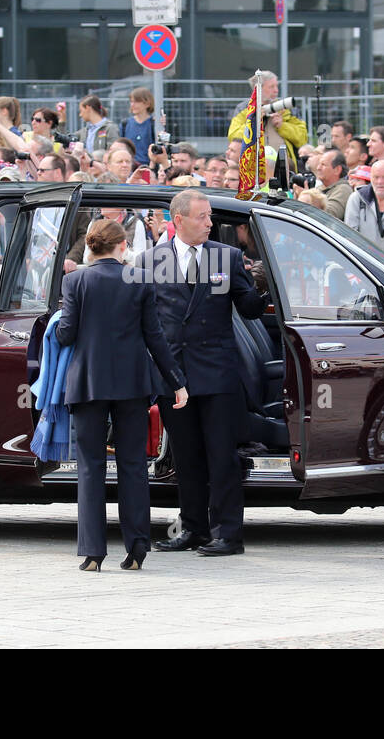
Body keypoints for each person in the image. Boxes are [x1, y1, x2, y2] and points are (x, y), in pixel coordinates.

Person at [55, 219, 188, 572]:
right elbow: (154, 337)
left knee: (90, 467)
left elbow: (66, 334)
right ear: (122, 246)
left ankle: (93, 552)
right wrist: (177, 381)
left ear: (91, 247)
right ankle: (136, 549)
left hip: (88, 383)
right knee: (133, 466)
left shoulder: (74, 280)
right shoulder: (139, 280)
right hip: (132, 383)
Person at [139, 190, 266, 557]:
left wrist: (263, 284)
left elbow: (249, 308)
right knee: (186, 456)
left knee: (221, 455)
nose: (210, 223)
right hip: (173, 375)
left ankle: (229, 533)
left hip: (217, 373)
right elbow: (141, 318)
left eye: (210, 216)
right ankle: (193, 528)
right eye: (202, 217)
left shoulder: (225, 257)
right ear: (178, 220)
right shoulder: (150, 262)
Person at [226, 71, 307, 178]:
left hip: (284, 169)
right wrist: (254, 121)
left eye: (276, 86)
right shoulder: (244, 109)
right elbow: (234, 136)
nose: (276, 90)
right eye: (271, 87)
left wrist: (282, 126)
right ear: (258, 89)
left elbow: (302, 138)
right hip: (253, 170)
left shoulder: (288, 108)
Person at [315, 149, 353, 220]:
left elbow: (329, 216)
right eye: (318, 164)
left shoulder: (343, 189)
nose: (318, 168)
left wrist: (309, 199)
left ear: (337, 170)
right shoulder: (319, 188)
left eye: (323, 164)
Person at [121, 87, 157, 160]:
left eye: (136, 102)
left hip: (149, 166)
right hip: (130, 166)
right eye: (131, 101)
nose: (132, 105)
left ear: (147, 103)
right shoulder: (125, 123)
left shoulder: (153, 124)